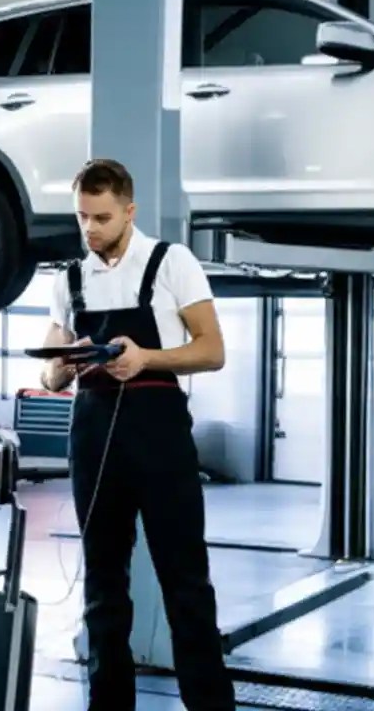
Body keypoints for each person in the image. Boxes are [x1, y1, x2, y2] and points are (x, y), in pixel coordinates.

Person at [39, 158, 236, 711]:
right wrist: (64, 365)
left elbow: (212, 350)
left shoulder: (172, 262)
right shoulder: (69, 278)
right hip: (93, 432)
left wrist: (145, 356)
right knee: (103, 585)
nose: (90, 229)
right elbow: (48, 373)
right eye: (82, 217)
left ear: (130, 210)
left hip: (159, 432)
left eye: (101, 217)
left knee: (186, 582)